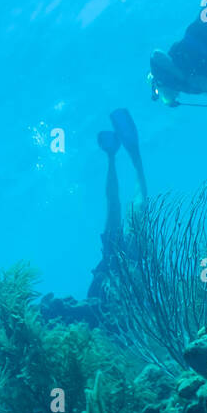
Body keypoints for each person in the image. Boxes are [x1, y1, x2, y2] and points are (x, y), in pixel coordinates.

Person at [87, 108, 148, 300]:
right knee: (139, 205)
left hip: (112, 258)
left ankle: (112, 155)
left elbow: (95, 289)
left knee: (114, 206)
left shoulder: (96, 300)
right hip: (135, 260)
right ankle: (134, 155)